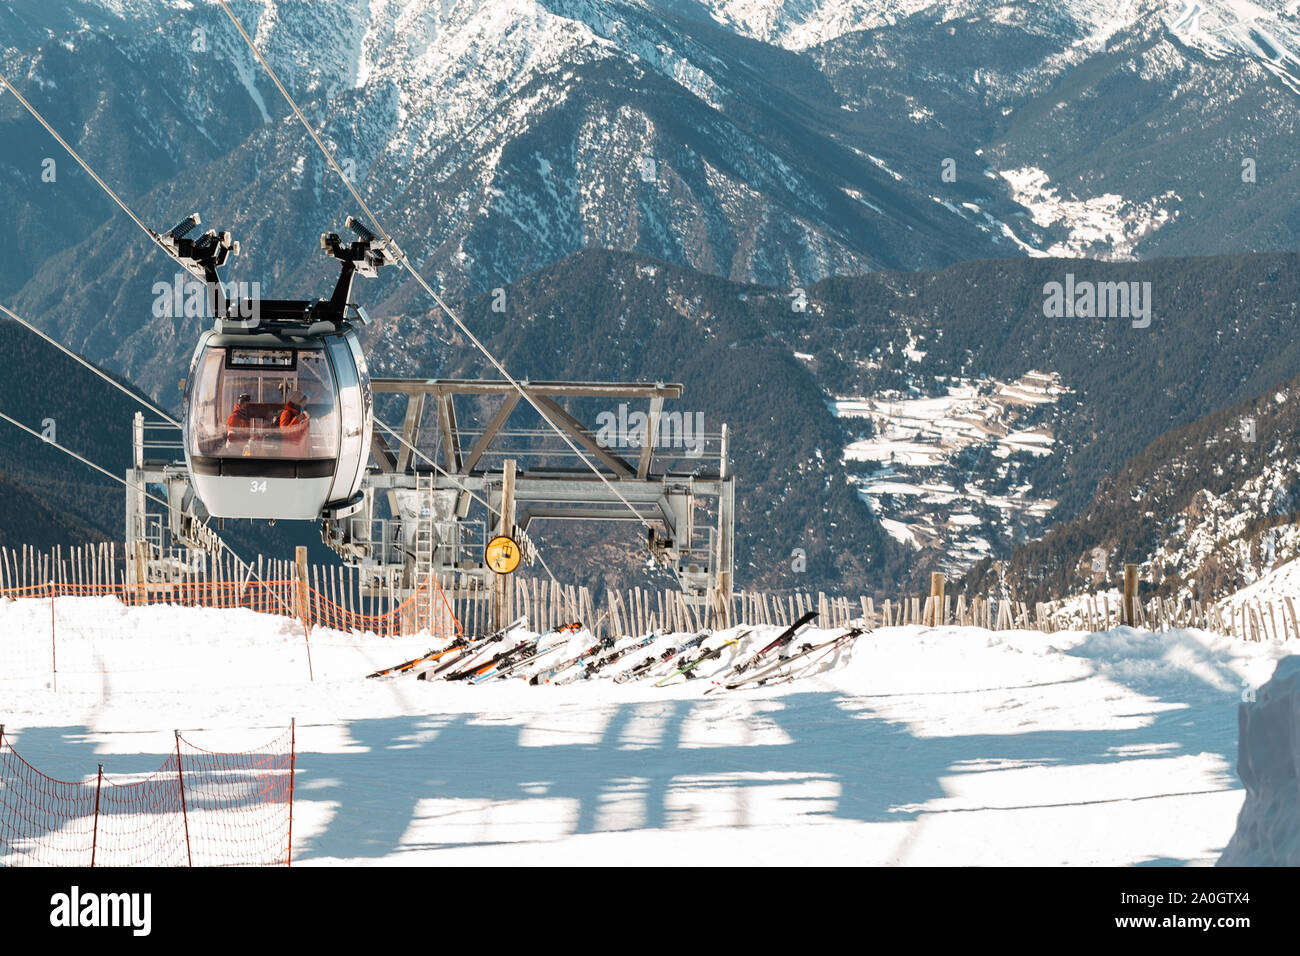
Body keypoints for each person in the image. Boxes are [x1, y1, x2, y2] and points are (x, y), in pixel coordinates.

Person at [277, 388, 311, 456]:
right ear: (297, 402)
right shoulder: (286, 413)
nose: (304, 404)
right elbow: (284, 432)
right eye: (303, 402)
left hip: (299, 449)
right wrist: (297, 420)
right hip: (289, 450)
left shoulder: (300, 413)